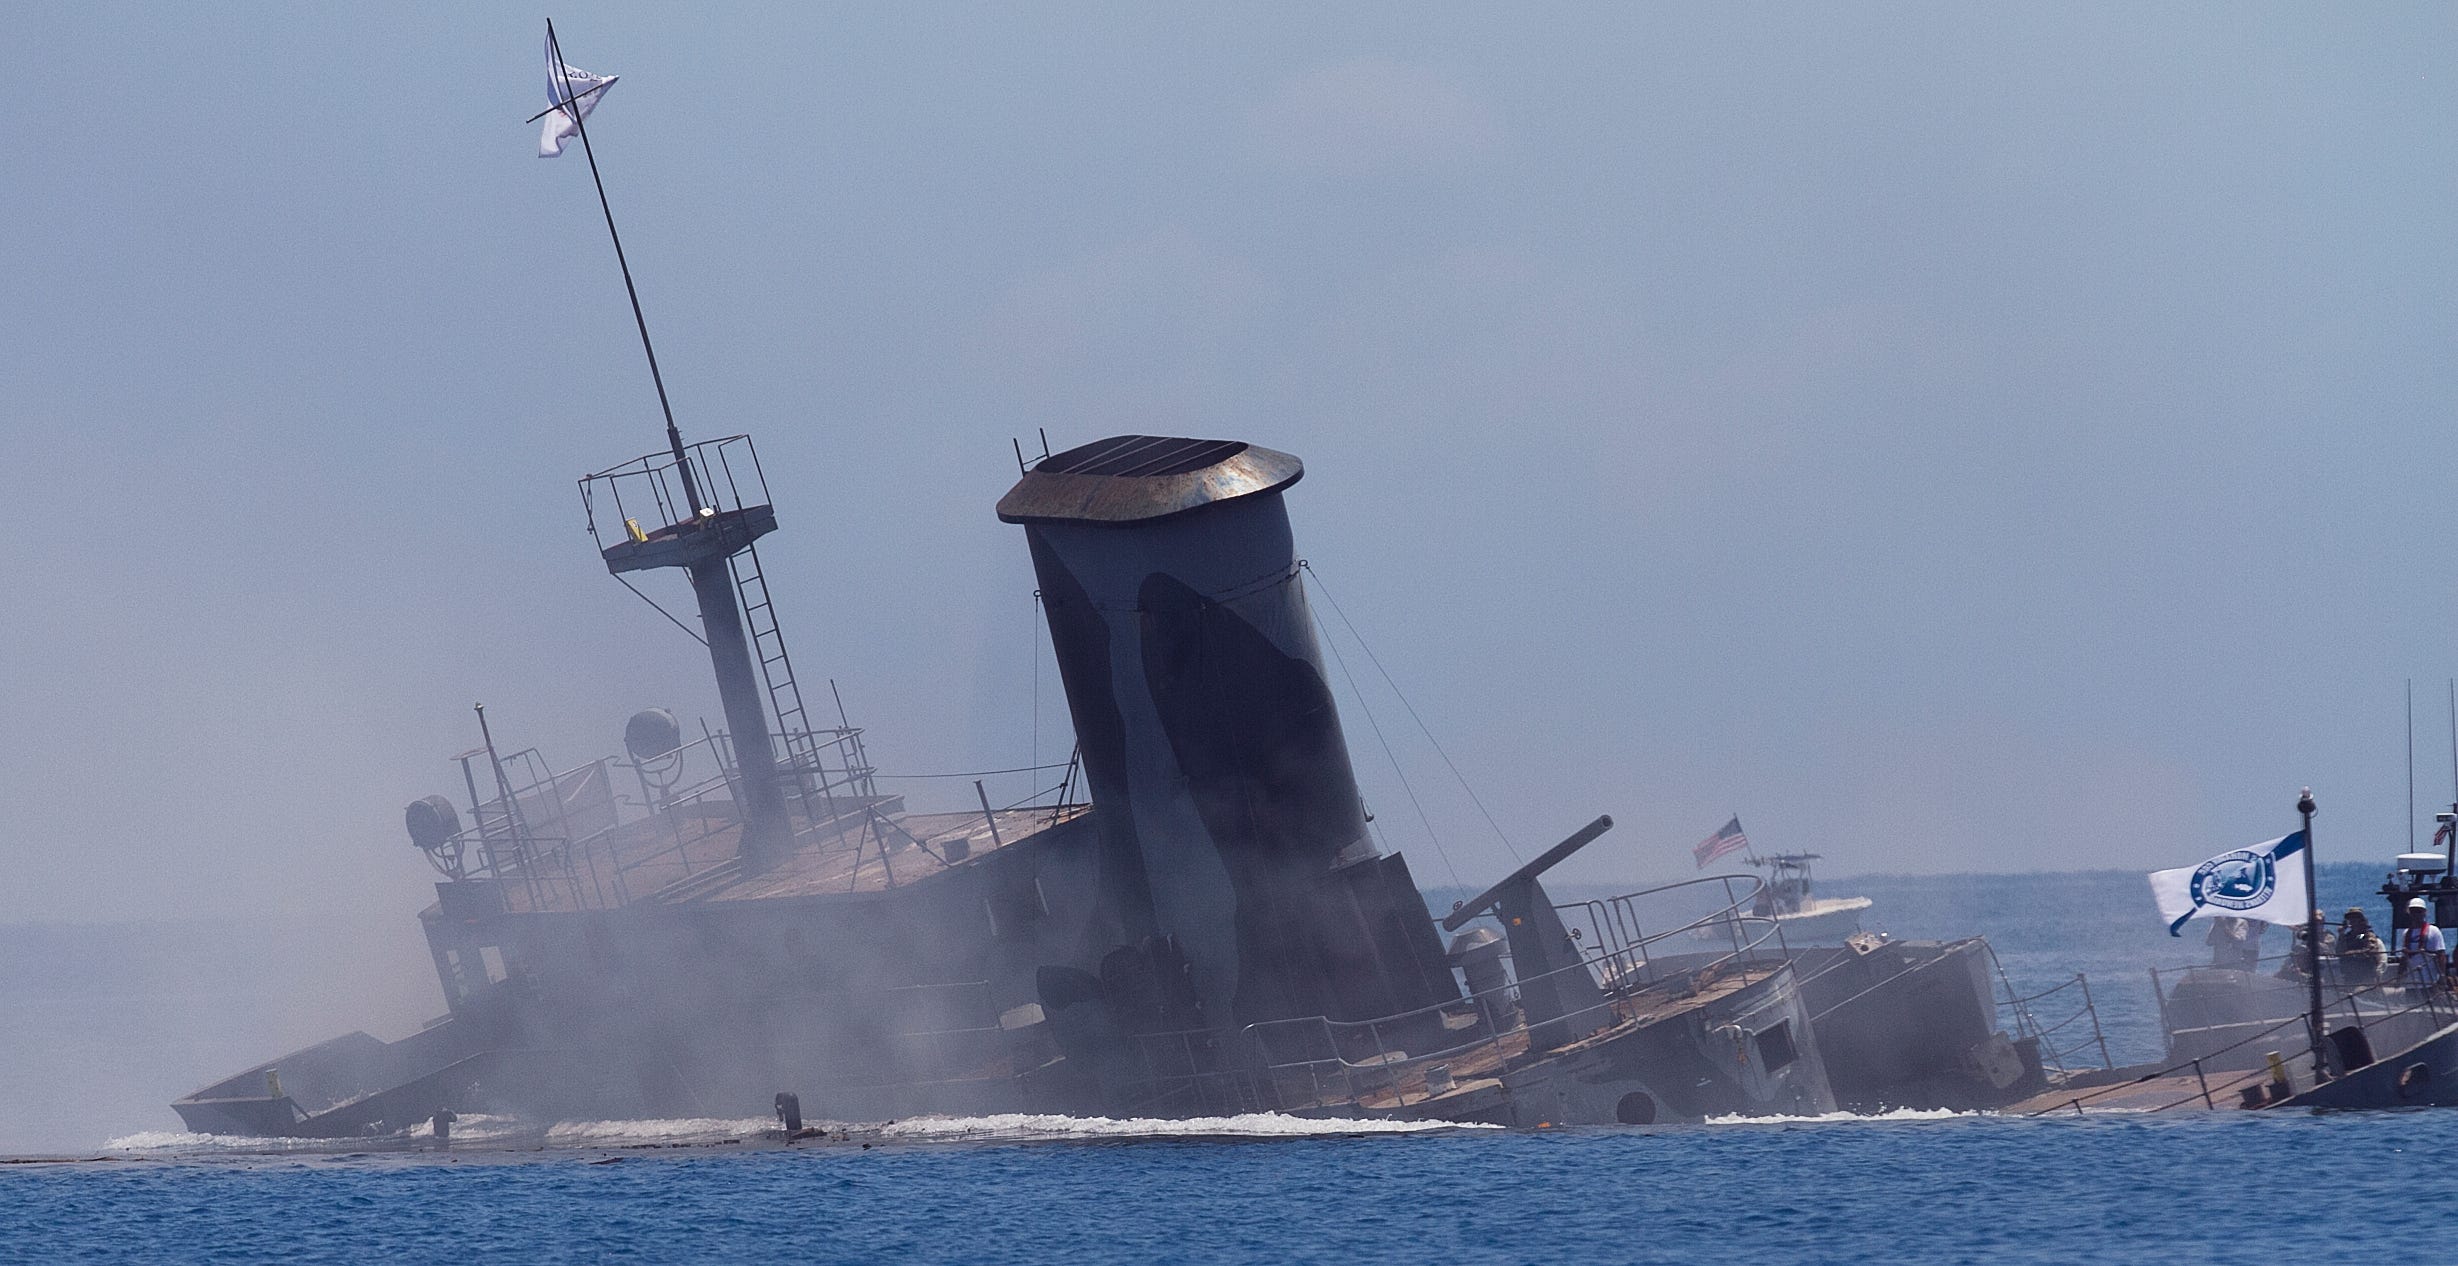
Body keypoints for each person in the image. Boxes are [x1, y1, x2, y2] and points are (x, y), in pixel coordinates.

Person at [2397, 897, 2446, 991]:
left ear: (2424, 912)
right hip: (2411, 983)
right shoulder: (2406, 933)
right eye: (2413, 911)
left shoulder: (2434, 931)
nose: (2416, 914)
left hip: (2429, 982)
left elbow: (2441, 955)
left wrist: (2442, 975)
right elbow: (2404, 957)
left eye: (2419, 911)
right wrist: (2399, 976)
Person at [2277, 911, 2336, 981]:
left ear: (2323, 922)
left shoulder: (2329, 936)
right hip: (2306, 961)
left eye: (2318, 922)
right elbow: (2299, 936)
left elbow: (2326, 949)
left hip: (2323, 965)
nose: (2316, 924)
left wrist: (2311, 940)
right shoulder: (2306, 932)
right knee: (2291, 958)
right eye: (2313, 922)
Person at [2338, 907, 2387, 984]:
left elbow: (2370, 951)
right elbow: (2339, 952)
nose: (2352, 921)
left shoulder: (2366, 935)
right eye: (2350, 919)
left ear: (2361, 920)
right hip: (2350, 976)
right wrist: (2341, 934)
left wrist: (2352, 953)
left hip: (2366, 977)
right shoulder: (2349, 937)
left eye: (2355, 918)